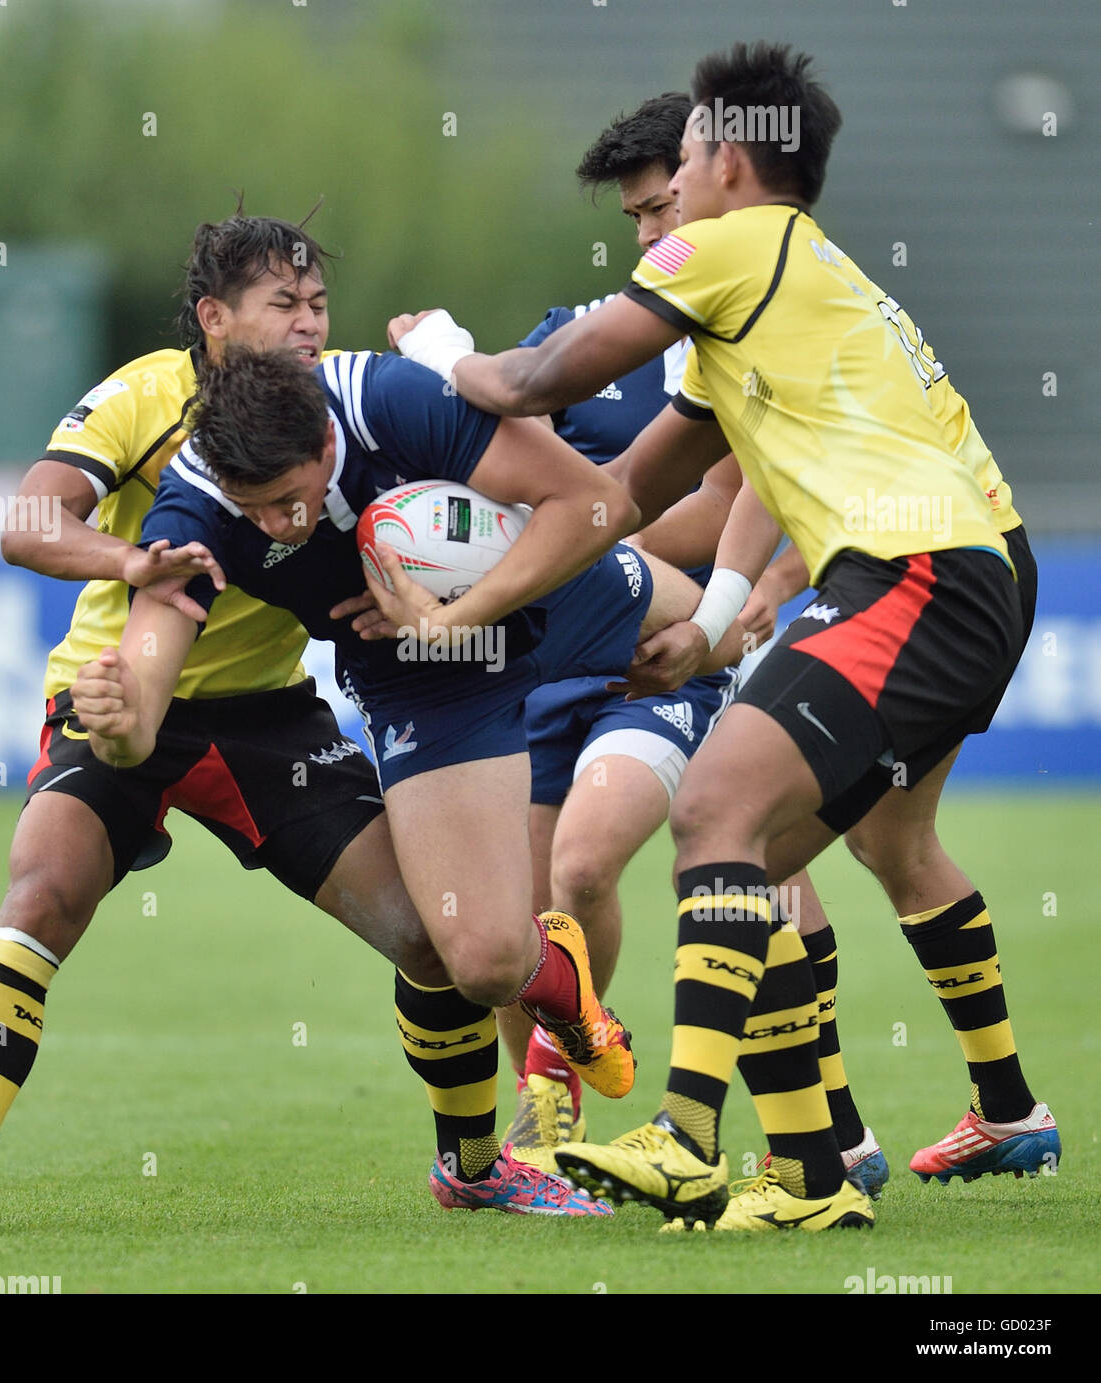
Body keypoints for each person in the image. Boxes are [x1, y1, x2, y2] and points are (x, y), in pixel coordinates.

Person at [391, 41, 1057, 1229]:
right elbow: (626, 497)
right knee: (761, 857)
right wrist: (486, 608)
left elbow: (535, 380)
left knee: (712, 812)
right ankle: (811, 1174)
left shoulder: (739, 244)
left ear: (729, 163)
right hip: (962, 568)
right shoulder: (773, 286)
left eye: (680, 169)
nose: (661, 212)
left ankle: (687, 1135)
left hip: (916, 572)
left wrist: (439, 352)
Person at [0, 212, 606, 1234]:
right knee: (43, 890)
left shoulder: (343, 410)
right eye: (286, 305)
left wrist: (451, 596)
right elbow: (26, 520)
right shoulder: (147, 399)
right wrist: (129, 562)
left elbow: (567, 500)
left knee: (426, 936)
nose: (311, 326)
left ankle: (473, 1165)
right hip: (124, 696)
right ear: (213, 318)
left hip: (270, 718)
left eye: (319, 304)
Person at [76, 344, 748, 1211]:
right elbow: (143, 693)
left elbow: (599, 501)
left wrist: (457, 612)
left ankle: (825, 1132)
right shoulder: (197, 502)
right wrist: (120, 723)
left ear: (325, 441)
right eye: (260, 511)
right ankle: (561, 979)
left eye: (294, 497)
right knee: (482, 960)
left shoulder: (385, 397)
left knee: (726, 642)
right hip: (420, 676)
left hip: (539, 579)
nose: (282, 526)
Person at [499, 92, 886, 1201]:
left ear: (715, 178)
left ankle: (746, 1139)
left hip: (700, 642)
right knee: (589, 916)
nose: (646, 236)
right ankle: (824, 1143)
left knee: (730, 865)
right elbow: (519, 463)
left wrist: (705, 588)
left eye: (660, 205)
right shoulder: (599, 329)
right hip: (589, 652)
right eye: (631, 220)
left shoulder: (755, 309)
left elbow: (739, 493)